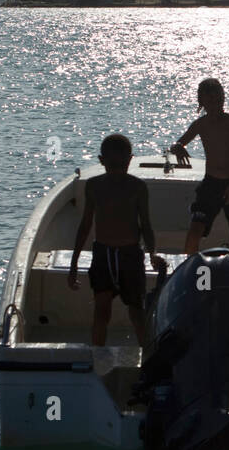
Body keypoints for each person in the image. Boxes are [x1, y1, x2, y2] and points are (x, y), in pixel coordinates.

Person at [69, 133, 166, 347]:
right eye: (112, 164)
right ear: (102, 161)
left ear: (130, 160)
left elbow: (145, 225)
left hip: (130, 255)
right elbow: (85, 225)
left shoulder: (137, 187)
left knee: (137, 313)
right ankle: (96, 357)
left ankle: (148, 360)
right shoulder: (93, 186)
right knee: (101, 312)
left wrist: (152, 253)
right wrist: (74, 263)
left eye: (122, 164)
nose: (117, 169)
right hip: (103, 254)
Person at [170, 78, 229, 256]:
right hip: (210, 184)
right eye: (210, 100)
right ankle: (189, 268)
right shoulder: (200, 124)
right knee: (194, 231)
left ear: (223, 99)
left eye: (218, 99)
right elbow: (179, 143)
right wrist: (177, 148)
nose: (214, 104)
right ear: (202, 102)